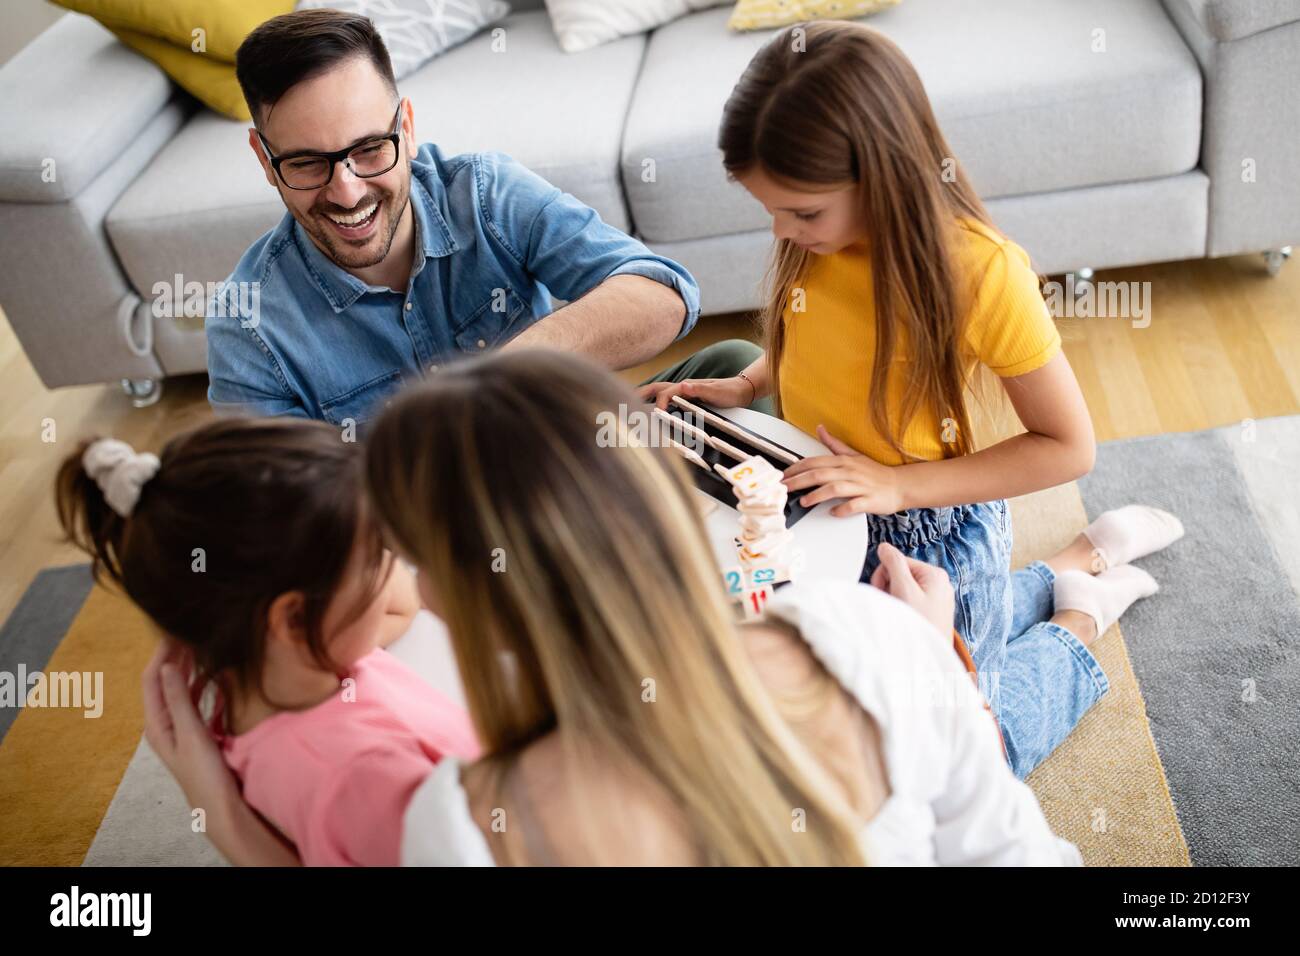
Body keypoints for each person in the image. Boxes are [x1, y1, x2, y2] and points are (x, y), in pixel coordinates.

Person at [144, 349, 1082, 866]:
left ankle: (1077, 598)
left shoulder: (462, 827)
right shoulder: (865, 635)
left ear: (442, 596)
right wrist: (937, 678)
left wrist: (227, 824)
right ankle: (1077, 596)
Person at [643, 22, 1184, 777]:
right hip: (825, 509)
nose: (780, 230)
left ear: (884, 176)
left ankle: (1082, 612)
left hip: (929, 536)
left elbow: (1069, 447)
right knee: (848, 718)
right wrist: (747, 384)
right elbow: (819, 336)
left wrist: (898, 483)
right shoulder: (820, 235)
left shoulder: (982, 273)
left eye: (801, 212)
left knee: (962, 757)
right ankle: (1072, 559)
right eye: (771, 210)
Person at [205, 8, 763, 427]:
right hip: (431, 546)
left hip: (576, 461)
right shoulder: (248, 330)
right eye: (306, 163)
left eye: (371, 148)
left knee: (736, 362)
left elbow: (665, 295)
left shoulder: (482, 191)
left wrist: (500, 376)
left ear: (407, 126)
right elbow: (285, 523)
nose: (347, 192)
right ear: (264, 157)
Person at [53, 419, 478, 866]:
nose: (395, 563)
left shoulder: (265, 674)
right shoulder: (365, 781)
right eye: (375, 557)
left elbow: (399, 604)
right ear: (292, 618)